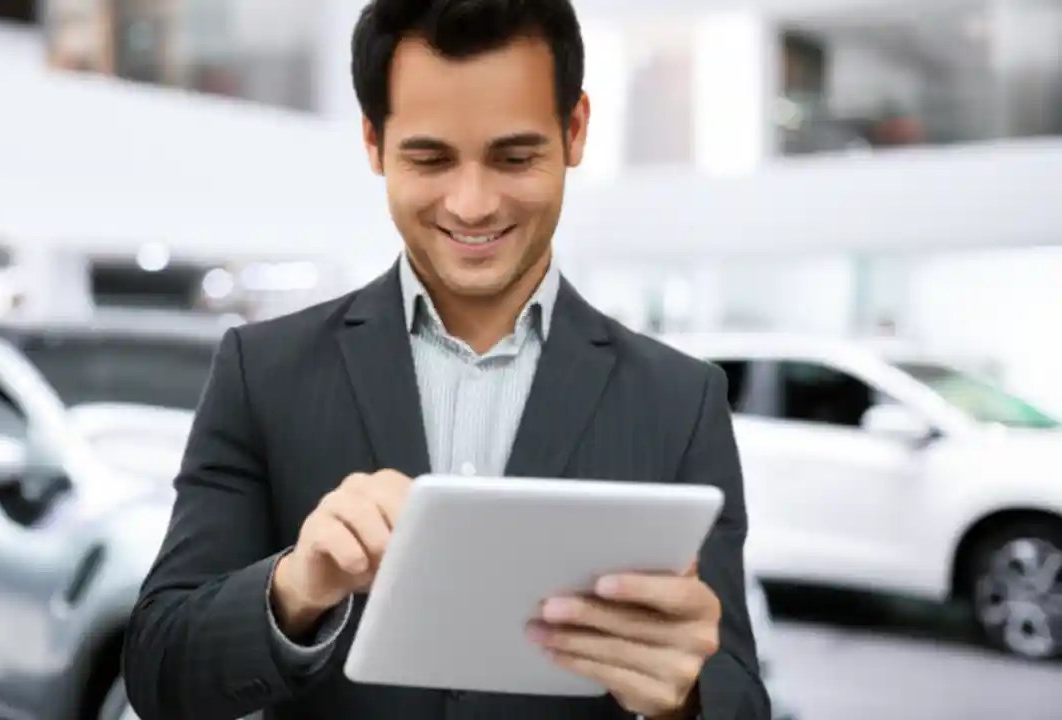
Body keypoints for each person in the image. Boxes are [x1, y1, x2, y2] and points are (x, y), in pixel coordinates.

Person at [122, 1, 769, 718]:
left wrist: (683, 699)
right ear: (372, 141)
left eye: (515, 157)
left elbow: (738, 690)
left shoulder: (681, 402)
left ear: (575, 130)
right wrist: (296, 586)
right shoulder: (263, 373)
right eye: (429, 159)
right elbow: (159, 673)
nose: (473, 204)